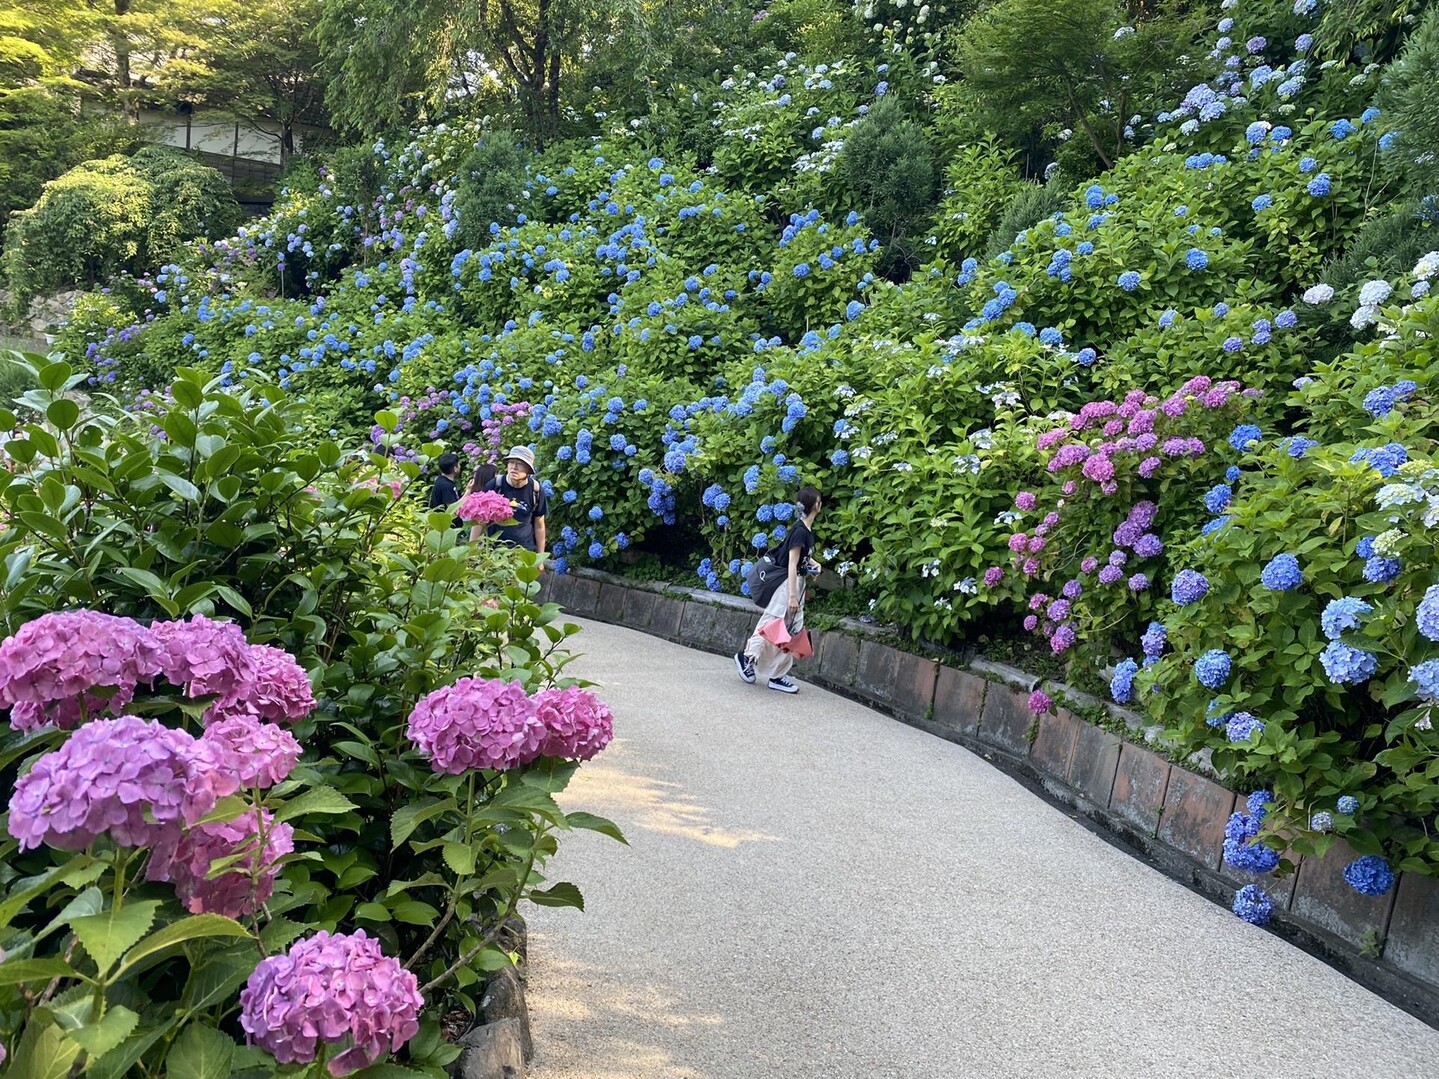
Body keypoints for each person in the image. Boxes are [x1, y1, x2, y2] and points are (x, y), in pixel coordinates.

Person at [735, 486, 822, 694]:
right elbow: (791, 564)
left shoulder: (805, 530)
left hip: (796, 584)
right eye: (819, 501)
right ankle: (747, 657)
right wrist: (792, 596)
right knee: (772, 624)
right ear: (815, 505)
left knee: (792, 629)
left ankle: (777, 674)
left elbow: (801, 558)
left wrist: (814, 565)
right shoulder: (800, 531)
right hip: (787, 585)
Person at [481, 446, 548, 562]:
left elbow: (539, 525)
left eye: (520, 464)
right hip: (495, 554)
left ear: (528, 470)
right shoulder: (494, 486)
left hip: (524, 553)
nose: (514, 467)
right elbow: (480, 520)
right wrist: (472, 553)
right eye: (511, 462)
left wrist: (540, 558)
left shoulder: (536, 490)